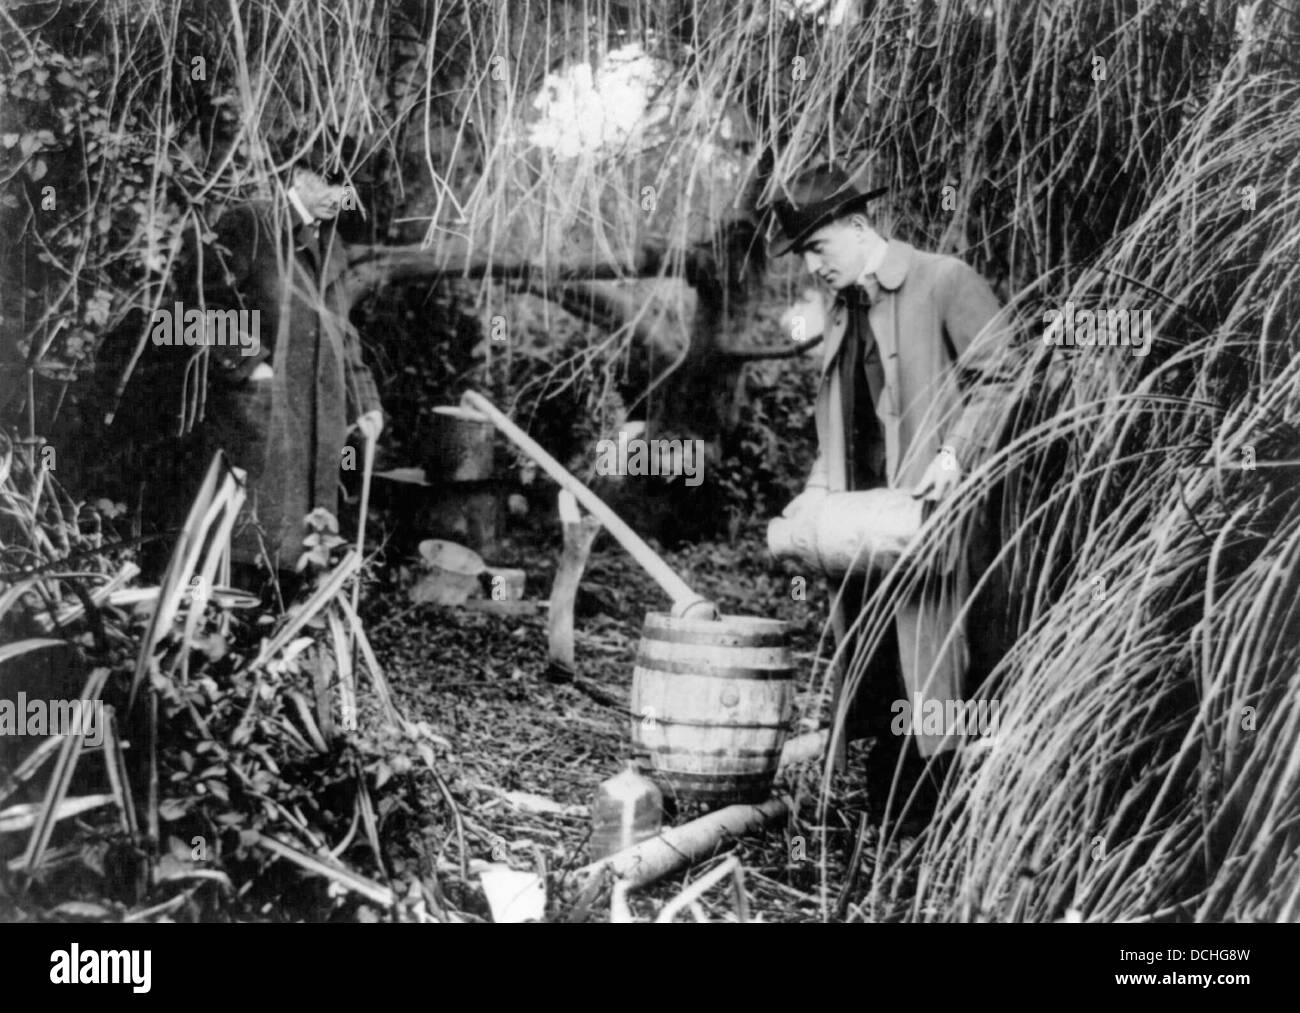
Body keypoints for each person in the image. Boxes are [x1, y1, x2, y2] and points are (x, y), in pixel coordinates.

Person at [768, 163, 1009, 768]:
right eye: (802, 255)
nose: (811, 266)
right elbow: (836, 421)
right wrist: (816, 492)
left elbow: (1006, 379)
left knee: (942, 665)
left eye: (817, 248)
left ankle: (952, 814)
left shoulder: (946, 281)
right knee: (877, 669)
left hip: (939, 526)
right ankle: (892, 803)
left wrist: (955, 454)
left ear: (857, 225)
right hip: (864, 529)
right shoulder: (842, 310)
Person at [176, 163, 383, 599]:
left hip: (317, 413)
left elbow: (343, 330)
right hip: (257, 407)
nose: (338, 196)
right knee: (247, 528)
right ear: (299, 176)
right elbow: (196, 304)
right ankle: (226, 625)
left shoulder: (332, 244)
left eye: (346, 188)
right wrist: (251, 366)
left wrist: (364, 401)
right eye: (329, 183)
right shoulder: (250, 223)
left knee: (309, 529)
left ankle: (288, 629)